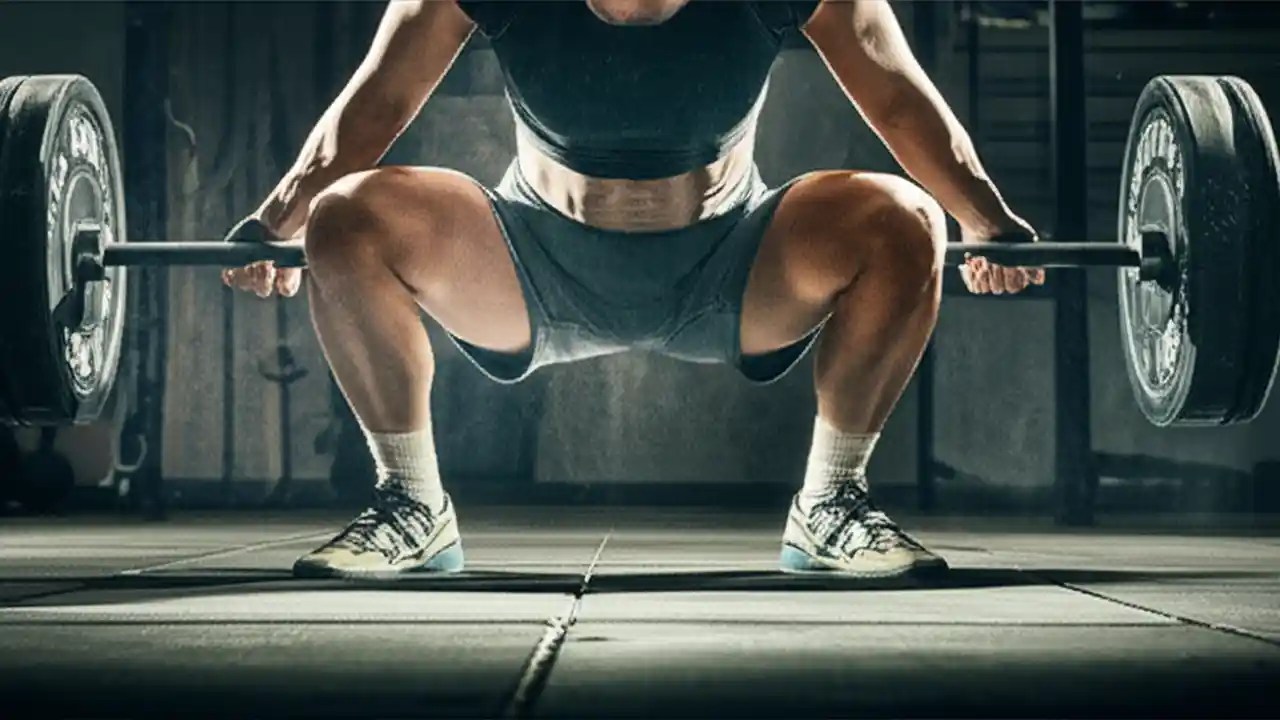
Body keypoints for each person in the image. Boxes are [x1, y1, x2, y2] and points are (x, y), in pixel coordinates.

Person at [222, 0, 1044, 579]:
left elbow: (897, 96)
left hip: (733, 264)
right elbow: (377, 102)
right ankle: (410, 503)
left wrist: (986, 219)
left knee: (905, 219)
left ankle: (832, 502)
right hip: (530, 263)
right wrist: (275, 221)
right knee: (344, 219)